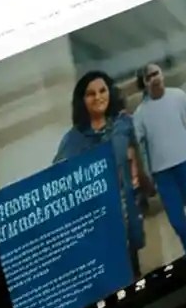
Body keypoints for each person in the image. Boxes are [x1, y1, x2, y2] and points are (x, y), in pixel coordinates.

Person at [54, 71, 146, 277]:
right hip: (96, 221)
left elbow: (137, 157)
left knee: (134, 273)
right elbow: (59, 177)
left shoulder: (123, 124)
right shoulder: (73, 140)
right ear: (82, 100)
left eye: (102, 91)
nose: (98, 97)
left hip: (125, 211)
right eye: (91, 94)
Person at [133, 62, 186, 256]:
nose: (154, 79)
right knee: (177, 221)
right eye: (149, 77)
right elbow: (137, 147)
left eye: (156, 74)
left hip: (185, 162)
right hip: (162, 173)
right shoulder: (140, 114)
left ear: (162, 75)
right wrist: (144, 176)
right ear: (145, 84)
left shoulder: (179, 96)